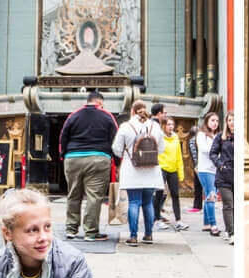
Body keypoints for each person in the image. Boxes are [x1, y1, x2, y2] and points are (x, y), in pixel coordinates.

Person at [59, 91, 117, 241]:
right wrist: (116, 161)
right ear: (100, 102)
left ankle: (71, 229)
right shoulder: (107, 116)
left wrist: (63, 154)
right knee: (94, 197)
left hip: (73, 158)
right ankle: (90, 232)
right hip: (98, 158)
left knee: (73, 194)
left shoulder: (73, 115)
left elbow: (63, 136)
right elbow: (115, 140)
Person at [112, 100, 165, 246]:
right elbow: (161, 149)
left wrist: (127, 151)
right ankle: (148, 235)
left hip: (132, 170)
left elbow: (116, 149)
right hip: (151, 170)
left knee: (134, 202)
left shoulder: (126, 126)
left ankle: (133, 236)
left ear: (132, 111)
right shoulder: (155, 126)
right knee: (148, 203)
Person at [154, 117, 188, 231]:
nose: (171, 127)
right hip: (162, 168)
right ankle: (156, 219)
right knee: (159, 194)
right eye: (168, 124)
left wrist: (181, 172)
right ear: (163, 125)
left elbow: (179, 156)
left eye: (172, 124)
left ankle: (178, 220)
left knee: (175, 195)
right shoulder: (159, 137)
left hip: (173, 169)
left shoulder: (175, 137)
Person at [209, 111, 234, 243]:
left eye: (234, 120)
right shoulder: (221, 137)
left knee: (235, 205)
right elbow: (212, 153)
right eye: (229, 120)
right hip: (224, 175)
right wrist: (220, 165)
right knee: (228, 204)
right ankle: (231, 233)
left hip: (236, 175)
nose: (232, 122)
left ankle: (231, 229)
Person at [196, 112, 222, 237]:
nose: (215, 123)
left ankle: (206, 223)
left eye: (217, 121)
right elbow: (204, 150)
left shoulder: (218, 135)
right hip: (205, 170)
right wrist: (217, 150)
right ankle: (213, 224)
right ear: (206, 121)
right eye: (212, 120)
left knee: (209, 195)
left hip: (216, 169)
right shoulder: (201, 135)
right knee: (211, 196)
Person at [186, 126, 203, 213]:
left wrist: (196, 166)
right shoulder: (200, 139)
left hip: (199, 166)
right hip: (203, 165)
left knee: (198, 186)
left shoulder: (192, 141)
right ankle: (199, 205)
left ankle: (197, 206)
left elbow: (194, 155)